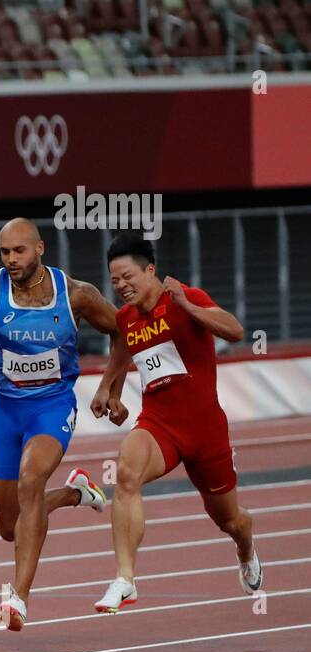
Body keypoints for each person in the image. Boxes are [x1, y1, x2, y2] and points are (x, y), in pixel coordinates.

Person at [0, 218, 121, 630]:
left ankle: (18, 598)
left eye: (19, 251)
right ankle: (75, 493)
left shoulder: (77, 295)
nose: (11, 259)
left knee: (31, 481)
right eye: (5, 251)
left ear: (40, 248)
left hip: (53, 406)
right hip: (8, 412)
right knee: (11, 527)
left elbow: (124, 332)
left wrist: (109, 389)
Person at [89, 234, 261, 612]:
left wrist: (187, 305)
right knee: (127, 472)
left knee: (229, 520)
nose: (121, 286)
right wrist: (108, 389)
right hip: (159, 424)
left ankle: (245, 548)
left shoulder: (186, 298)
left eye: (128, 276)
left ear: (151, 270)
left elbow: (234, 330)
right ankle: (124, 579)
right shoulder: (124, 318)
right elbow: (123, 349)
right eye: (114, 280)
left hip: (206, 432)